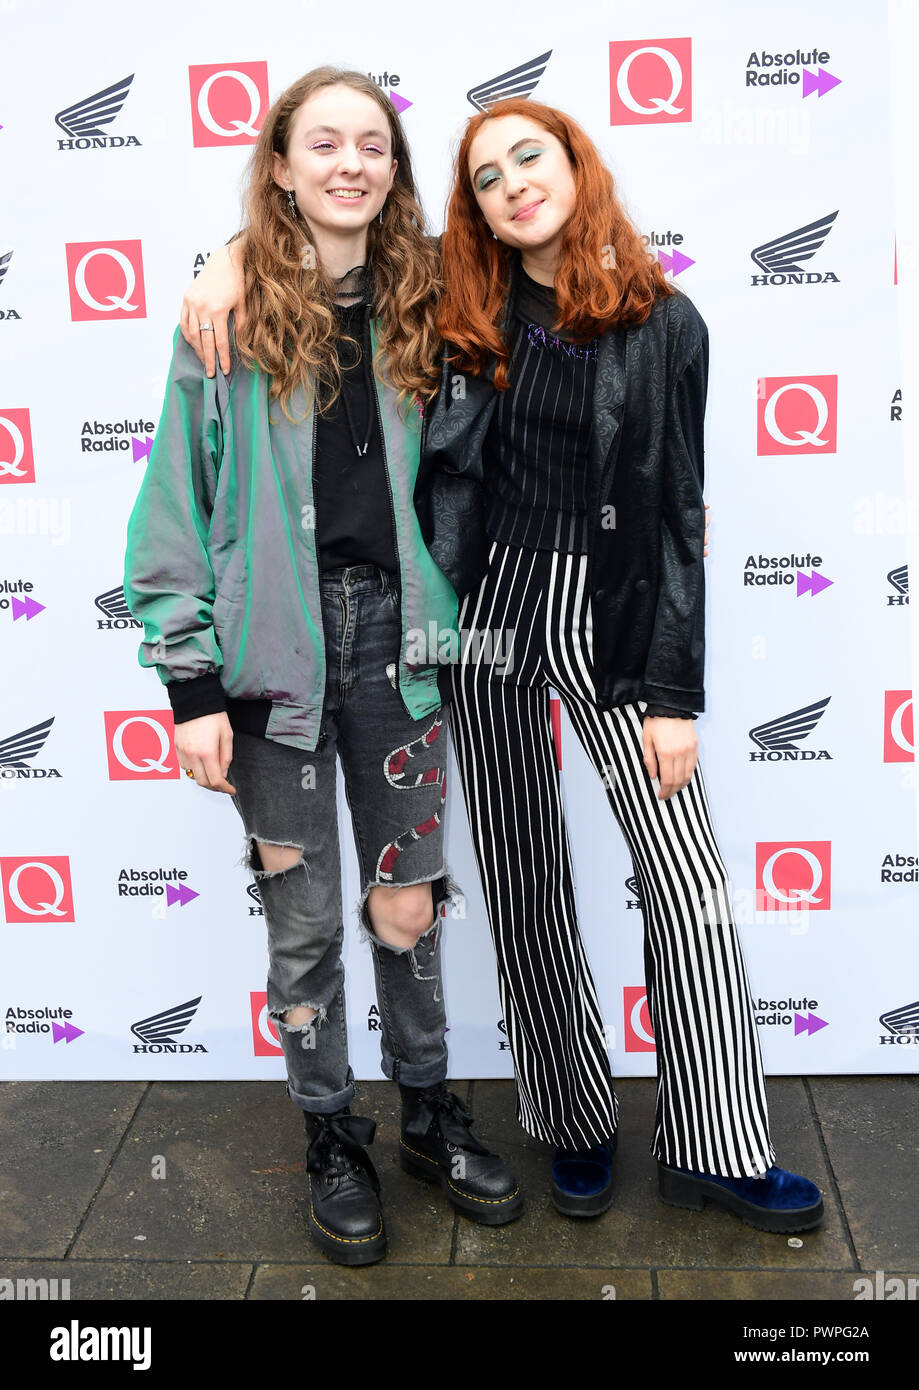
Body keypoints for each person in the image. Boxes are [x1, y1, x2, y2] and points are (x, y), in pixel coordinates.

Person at [179, 97, 822, 1235]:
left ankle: (716, 1143)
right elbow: (323, 228)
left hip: (609, 617)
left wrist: (673, 693)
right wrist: (221, 258)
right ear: (468, 204)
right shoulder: (451, 299)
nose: (514, 183)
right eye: (486, 175)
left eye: (532, 157)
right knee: (524, 881)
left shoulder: (668, 324)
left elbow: (676, 520)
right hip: (478, 616)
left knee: (689, 887)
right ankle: (571, 1122)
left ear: (576, 165)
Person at [123, 68, 521, 1269]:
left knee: (408, 908)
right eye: (323, 144)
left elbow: (543, 256)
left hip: (404, 651)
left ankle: (424, 1114)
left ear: (393, 172)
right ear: (283, 166)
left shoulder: (439, 297)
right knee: (301, 928)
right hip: (273, 661)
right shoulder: (224, 320)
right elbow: (172, 512)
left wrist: (237, 245)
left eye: (373, 145)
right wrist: (188, 686)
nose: (351, 161)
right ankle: (328, 1130)